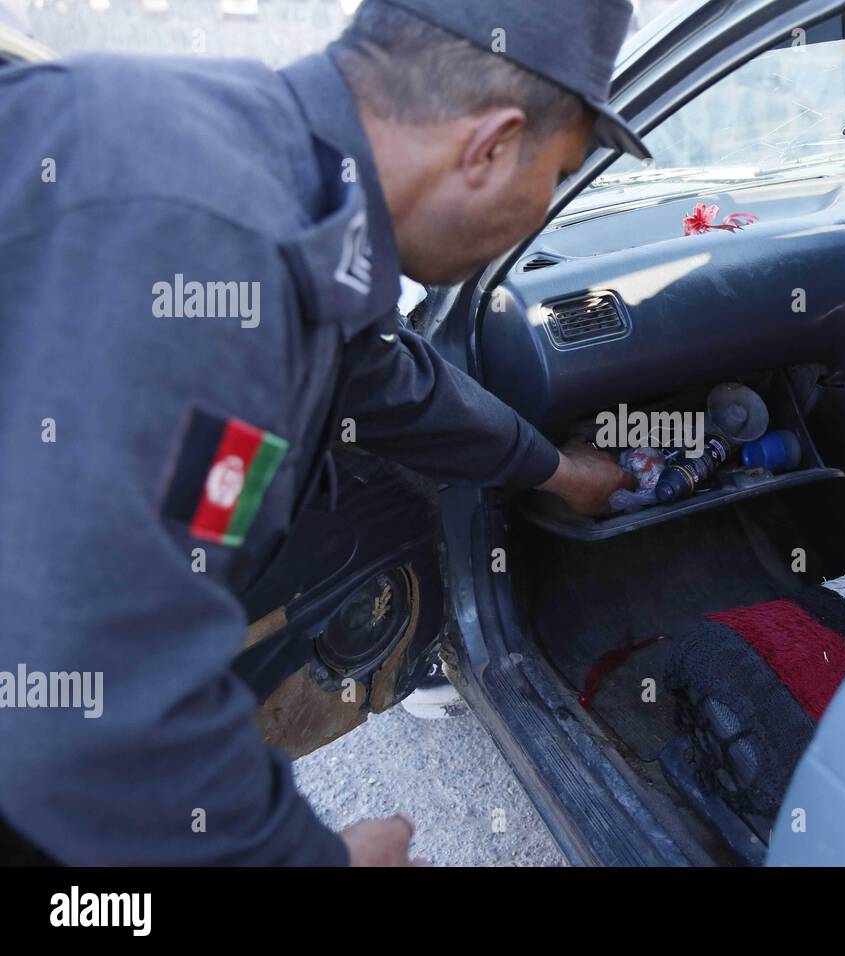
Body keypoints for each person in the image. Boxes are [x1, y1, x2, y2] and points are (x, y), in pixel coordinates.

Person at [0, 0, 645, 866]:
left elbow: (387, 381)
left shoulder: (286, 180)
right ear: (490, 146)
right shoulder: (216, 247)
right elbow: (84, 696)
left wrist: (555, 471)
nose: (546, 208)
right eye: (559, 174)